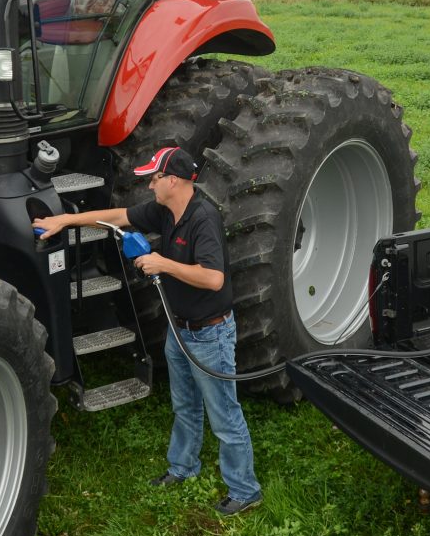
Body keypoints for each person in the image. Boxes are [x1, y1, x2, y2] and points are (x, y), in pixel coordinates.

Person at [31, 146, 261, 516]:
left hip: (209, 335)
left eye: (154, 179)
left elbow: (214, 279)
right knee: (184, 405)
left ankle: (245, 490)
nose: (150, 186)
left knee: (224, 415)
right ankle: (183, 468)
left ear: (173, 180)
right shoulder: (165, 211)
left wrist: (163, 264)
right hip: (178, 328)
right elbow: (118, 215)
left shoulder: (203, 219)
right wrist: (63, 222)